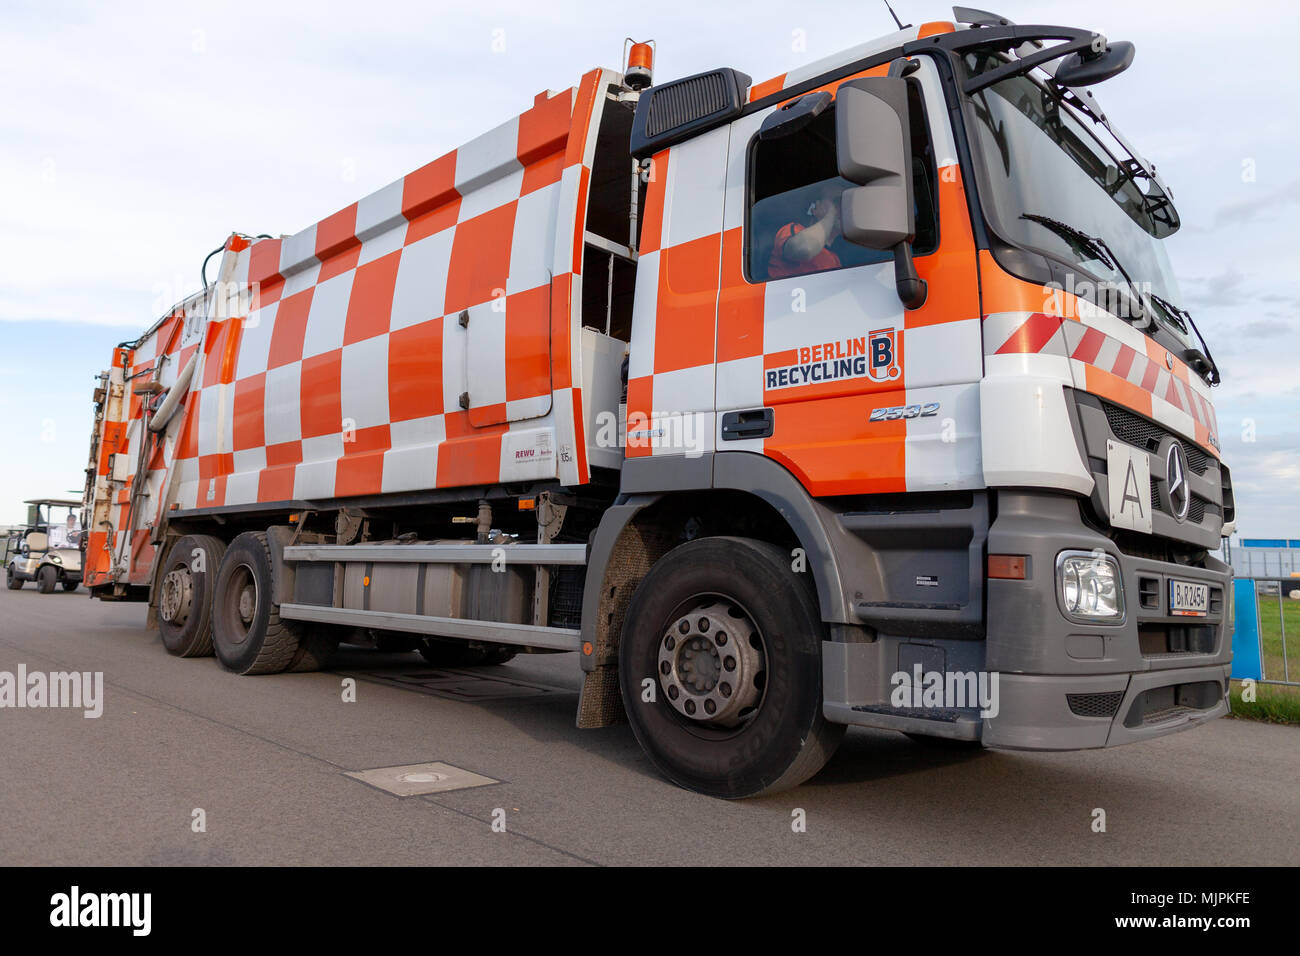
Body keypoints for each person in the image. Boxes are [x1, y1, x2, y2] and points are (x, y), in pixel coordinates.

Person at [767, 179, 845, 280]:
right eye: (836, 201)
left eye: (844, 202)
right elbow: (803, 249)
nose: (842, 207)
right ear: (815, 208)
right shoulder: (794, 229)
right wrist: (832, 214)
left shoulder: (835, 259)